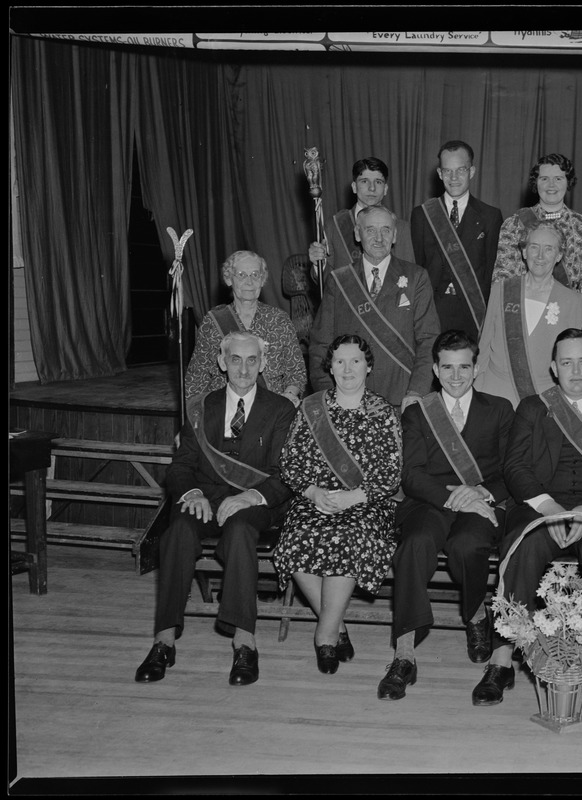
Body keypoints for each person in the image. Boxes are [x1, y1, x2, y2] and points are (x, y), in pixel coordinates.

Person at [473, 329, 582, 718]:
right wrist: (548, 508)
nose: (576, 371)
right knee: (522, 543)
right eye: (567, 362)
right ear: (554, 367)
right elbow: (515, 466)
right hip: (542, 504)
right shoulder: (533, 408)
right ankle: (501, 660)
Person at [134, 332, 297, 686]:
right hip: (205, 499)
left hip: (255, 503)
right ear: (222, 362)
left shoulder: (281, 409)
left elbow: (286, 473)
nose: (244, 369)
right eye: (235, 359)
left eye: (252, 360)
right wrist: (192, 492)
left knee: (240, 530)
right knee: (177, 531)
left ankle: (244, 641)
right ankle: (164, 640)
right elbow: (180, 466)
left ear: (263, 364)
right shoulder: (201, 407)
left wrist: (251, 497)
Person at [378, 330, 515, 700]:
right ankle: (404, 653)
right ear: (436, 370)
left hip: (482, 502)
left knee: (467, 545)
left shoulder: (500, 409)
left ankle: (476, 614)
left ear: (475, 369)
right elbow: (411, 474)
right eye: (448, 368)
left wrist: (481, 493)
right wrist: (454, 498)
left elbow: (512, 471)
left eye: (464, 367)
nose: (456, 376)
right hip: (430, 501)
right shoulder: (418, 412)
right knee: (415, 545)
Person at [272, 334, 402, 675]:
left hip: (366, 503)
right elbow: (289, 462)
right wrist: (313, 492)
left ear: (368, 366)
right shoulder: (311, 407)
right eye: (340, 361)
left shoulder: (383, 412)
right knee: (295, 539)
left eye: (355, 361)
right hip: (315, 498)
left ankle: (325, 635)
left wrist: (352, 497)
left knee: (349, 536)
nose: (347, 369)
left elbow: (391, 475)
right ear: (330, 367)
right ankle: (337, 625)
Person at [307, 204, 441, 407]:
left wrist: (416, 391)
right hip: (348, 400)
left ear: (395, 236)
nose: (379, 238)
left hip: (403, 398)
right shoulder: (339, 280)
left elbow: (429, 340)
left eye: (386, 230)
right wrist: (328, 395)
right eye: (370, 230)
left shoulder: (416, 277)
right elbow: (321, 345)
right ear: (357, 234)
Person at [474, 222, 582, 407]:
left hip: (543, 400)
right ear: (524, 252)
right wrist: (476, 395)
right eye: (534, 247)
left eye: (548, 249)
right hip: (494, 394)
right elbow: (483, 348)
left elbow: (576, 361)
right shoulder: (501, 290)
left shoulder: (573, 301)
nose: (540, 256)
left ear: (559, 256)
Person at [184, 250, 306, 405]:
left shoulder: (279, 320)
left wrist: (287, 396)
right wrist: (200, 412)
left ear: (262, 280)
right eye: (241, 275)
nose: (250, 282)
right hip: (225, 408)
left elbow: (297, 372)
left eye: (255, 275)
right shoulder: (213, 322)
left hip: (270, 408)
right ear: (229, 279)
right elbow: (196, 377)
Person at [410, 140, 504, 340]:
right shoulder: (422, 215)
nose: (453, 178)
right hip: (432, 312)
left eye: (460, 170)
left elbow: (491, 272)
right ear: (439, 173)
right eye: (447, 171)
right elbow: (417, 266)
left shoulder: (490, 216)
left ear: (472, 171)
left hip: (472, 312)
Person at [491, 153, 582, 301]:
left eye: (558, 179)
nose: (551, 185)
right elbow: (503, 280)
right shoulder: (515, 225)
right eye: (544, 179)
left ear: (568, 182)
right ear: (536, 183)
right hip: (523, 306)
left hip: (568, 309)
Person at [308, 156, 415, 280]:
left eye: (378, 182)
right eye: (364, 181)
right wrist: (318, 264)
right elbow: (328, 281)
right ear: (354, 187)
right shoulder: (334, 225)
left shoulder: (401, 227)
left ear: (385, 189)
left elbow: (410, 275)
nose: (372, 188)